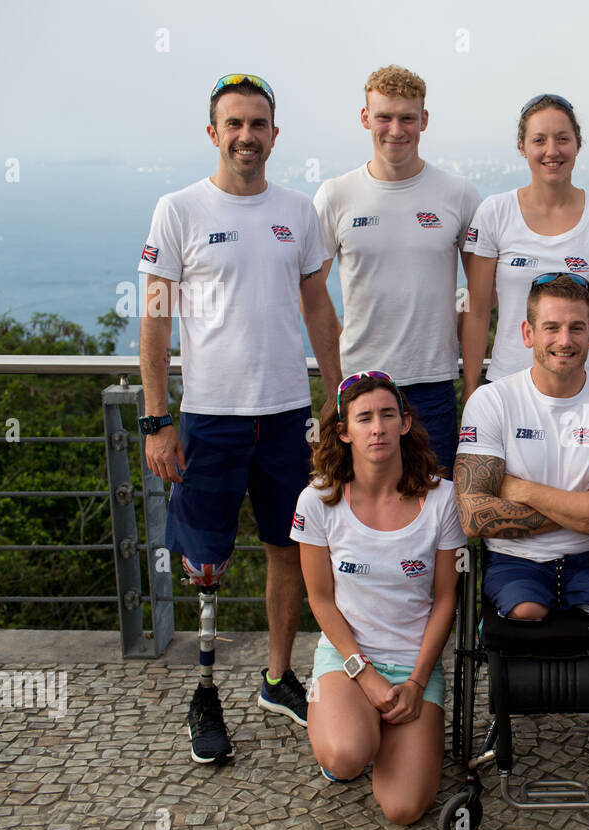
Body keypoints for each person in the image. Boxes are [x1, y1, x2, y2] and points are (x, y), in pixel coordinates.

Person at [138, 73, 342, 764]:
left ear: (274, 135)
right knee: (207, 563)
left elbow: (318, 308)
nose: (247, 135)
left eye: (259, 124)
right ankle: (204, 694)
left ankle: (277, 678)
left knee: (289, 549)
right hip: (209, 419)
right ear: (214, 133)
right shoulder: (179, 209)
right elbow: (155, 318)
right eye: (235, 123)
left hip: (286, 417)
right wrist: (156, 418)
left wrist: (336, 397)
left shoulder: (297, 212)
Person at [291, 371, 462, 823]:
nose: (378, 427)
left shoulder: (443, 499)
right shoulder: (318, 501)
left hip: (414, 665)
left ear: (405, 423)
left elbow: (446, 600)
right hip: (349, 663)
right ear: (344, 431)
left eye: (388, 415)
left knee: (404, 809)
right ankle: (356, 731)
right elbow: (321, 600)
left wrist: (417, 682)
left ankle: (389, 733)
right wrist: (365, 676)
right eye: (363, 418)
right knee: (346, 756)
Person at [313, 65, 481, 473]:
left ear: (424, 120)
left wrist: (469, 382)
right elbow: (310, 293)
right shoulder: (336, 195)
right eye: (384, 117)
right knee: (360, 512)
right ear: (365, 117)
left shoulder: (458, 194)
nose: (396, 129)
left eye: (407, 117)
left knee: (437, 508)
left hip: (434, 384)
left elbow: (481, 292)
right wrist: (335, 381)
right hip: (359, 386)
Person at [454, 274, 589, 622]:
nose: (564, 340)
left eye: (576, 328)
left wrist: (521, 489)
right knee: (526, 611)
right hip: (514, 558)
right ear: (528, 334)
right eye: (551, 327)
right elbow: (472, 517)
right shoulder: (491, 401)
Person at [462, 94, 589, 396]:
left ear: (577, 145)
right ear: (522, 147)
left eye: (562, 139)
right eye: (539, 140)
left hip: (587, 388)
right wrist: (470, 391)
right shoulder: (494, 212)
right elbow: (477, 311)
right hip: (507, 387)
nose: (552, 151)